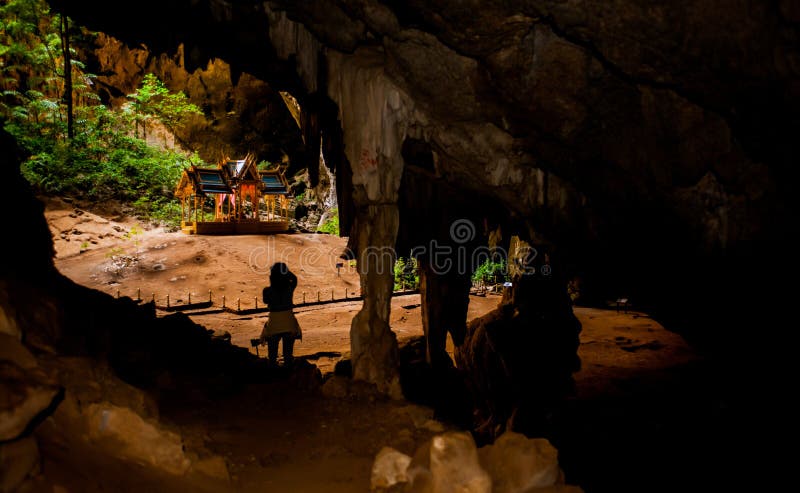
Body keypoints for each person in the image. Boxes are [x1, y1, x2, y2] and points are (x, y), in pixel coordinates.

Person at [259, 262, 301, 366]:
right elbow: (294, 279)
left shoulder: (267, 291)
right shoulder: (290, 288)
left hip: (274, 323)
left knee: (272, 355)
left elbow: (266, 301)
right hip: (289, 322)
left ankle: (273, 372)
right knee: (288, 355)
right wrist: (286, 272)